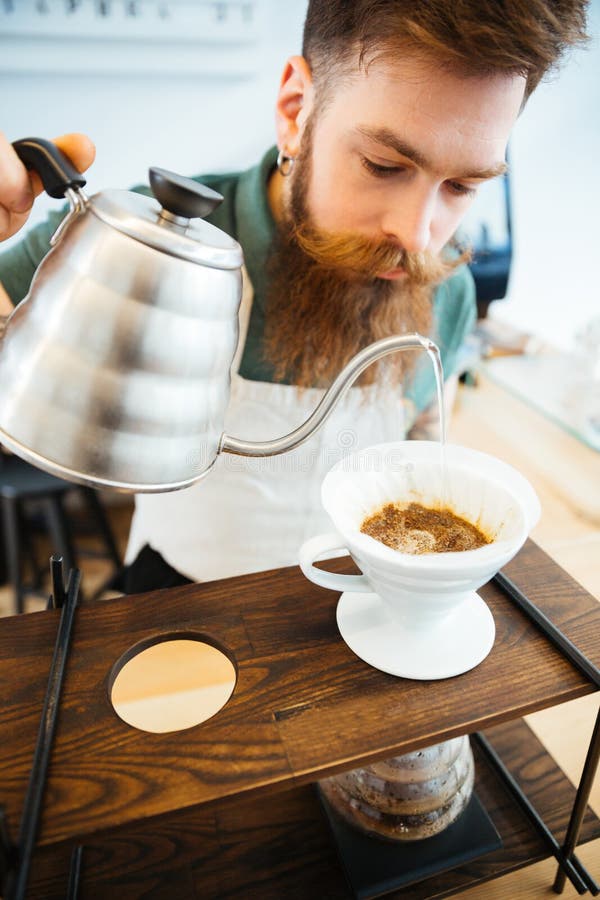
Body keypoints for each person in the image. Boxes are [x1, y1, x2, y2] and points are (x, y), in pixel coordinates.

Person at [0, 0, 589, 595]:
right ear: (295, 112)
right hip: (178, 594)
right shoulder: (143, 246)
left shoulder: (448, 290)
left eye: (462, 186)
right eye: (384, 166)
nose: (418, 237)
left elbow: (420, 442)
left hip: (359, 601)